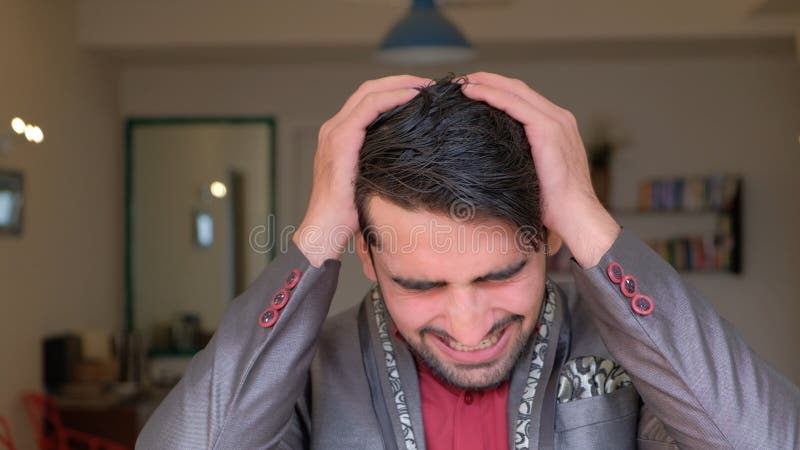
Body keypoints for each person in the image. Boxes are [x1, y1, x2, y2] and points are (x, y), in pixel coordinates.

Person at [136, 73, 799, 449]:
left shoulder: (630, 352)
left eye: (501, 273)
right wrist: (317, 235)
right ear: (365, 254)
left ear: (550, 238)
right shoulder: (307, 372)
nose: (469, 323)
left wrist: (592, 221)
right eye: (422, 285)